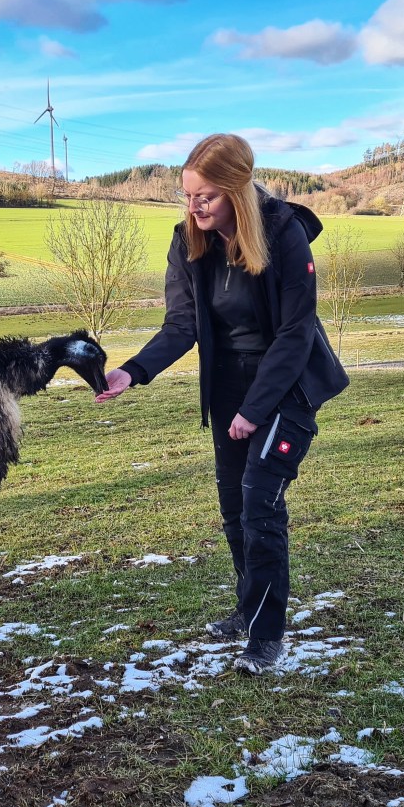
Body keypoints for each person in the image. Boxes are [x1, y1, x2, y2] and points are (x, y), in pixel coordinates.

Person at [96, 133, 349, 675]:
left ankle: (265, 638)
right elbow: (181, 325)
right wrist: (132, 371)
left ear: (237, 189)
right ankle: (247, 607)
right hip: (227, 384)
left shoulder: (285, 236)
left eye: (205, 196)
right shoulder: (188, 242)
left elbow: (294, 335)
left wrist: (254, 411)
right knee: (234, 510)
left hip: (287, 384)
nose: (194, 207)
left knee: (261, 505)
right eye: (186, 196)